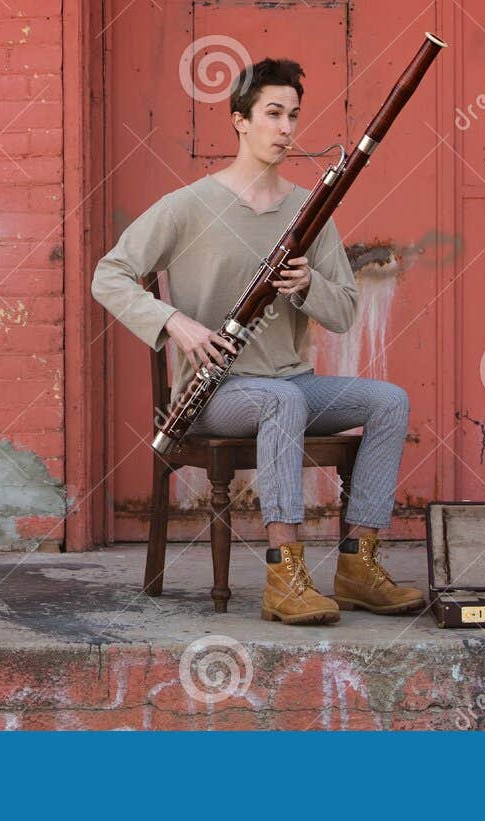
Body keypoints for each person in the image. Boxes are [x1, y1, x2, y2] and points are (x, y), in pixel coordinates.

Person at [91, 57, 425, 626]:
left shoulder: (308, 209)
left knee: (388, 401)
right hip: (218, 394)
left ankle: (357, 565)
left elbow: (343, 311)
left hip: (292, 383)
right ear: (240, 120)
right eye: (272, 114)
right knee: (281, 400)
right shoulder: (188, 205)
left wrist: (307, 286)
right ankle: (284, 574)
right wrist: (176, 322)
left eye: (293, 115)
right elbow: (109, 274)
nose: (286, 128)